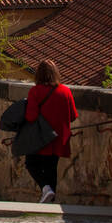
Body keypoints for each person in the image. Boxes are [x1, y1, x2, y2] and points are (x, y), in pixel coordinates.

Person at [24, 59, 78, 203]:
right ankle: (50, 199)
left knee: (31, 163)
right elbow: (73, 116)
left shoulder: (35, 92)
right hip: (59, 138)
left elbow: (31, 116)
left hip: (41, 137)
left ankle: (45, 188)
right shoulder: (65, 91)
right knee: (51, 168)